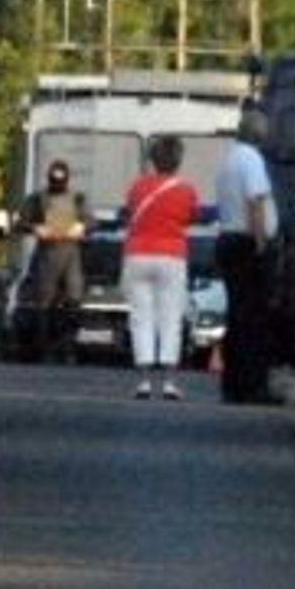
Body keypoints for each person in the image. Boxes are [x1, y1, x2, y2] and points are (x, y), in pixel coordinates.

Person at [122, 135, 199, 401]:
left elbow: (131, 211)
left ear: (153, 160)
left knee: (141, 318)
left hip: (138, 255)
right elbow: (191, 217)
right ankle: (168, 382)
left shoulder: (138, 187)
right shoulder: (186, 190)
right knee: (170, 318)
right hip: (172, 256)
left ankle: (143, 381)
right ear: (178, 161)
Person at [215, 104, 279, 405]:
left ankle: (234, 383)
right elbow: (255, 200)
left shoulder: (230, 159)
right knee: (255, 318)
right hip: (246, 242)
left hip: (228, 238)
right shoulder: (252, 159)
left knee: (238, 316)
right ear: (257, 133)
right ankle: (255, 385)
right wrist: (261, 241)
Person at [20, 160, 86, 359]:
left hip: (71, 252)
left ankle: (69, 347)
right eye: (54, 180)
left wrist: (81, 228)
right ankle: (44, 348)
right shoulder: (37, 199)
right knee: (43, 303)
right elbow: (21, 221)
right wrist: (35, 228)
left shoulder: (77, 199)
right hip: (47, 252)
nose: (57, 185)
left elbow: (91, 221)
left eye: (61, 180)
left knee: (73, 300)